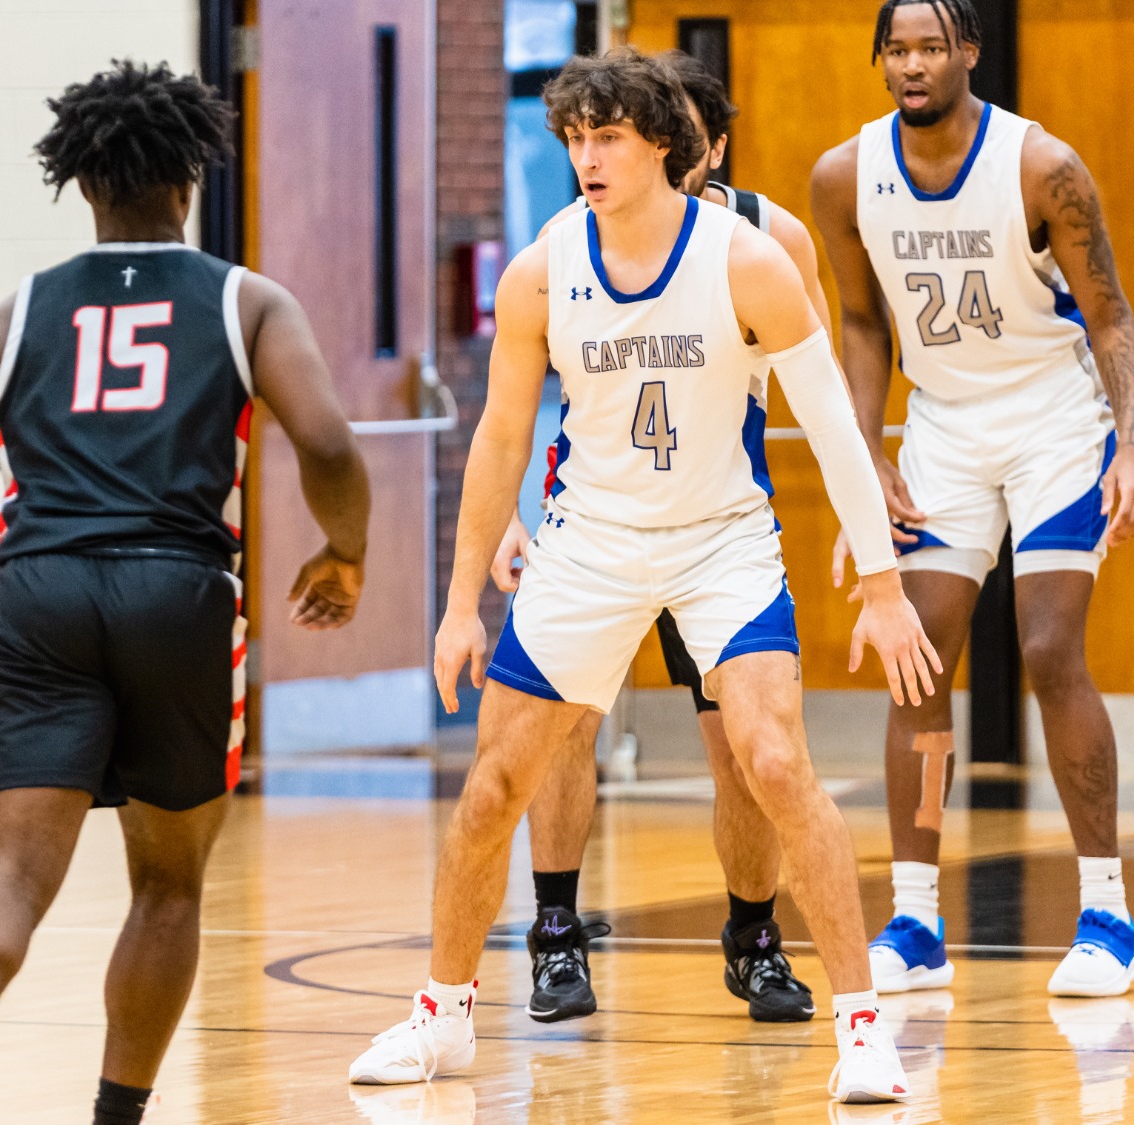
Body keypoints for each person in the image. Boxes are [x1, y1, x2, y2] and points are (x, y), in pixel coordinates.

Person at [350, 48, 941, 1104]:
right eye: (575, 138)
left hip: (720, 540)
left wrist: (884, 587)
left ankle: (861, 1029)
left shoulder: (748, 259)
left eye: (608, 137)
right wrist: (456, 603)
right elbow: (498, 437)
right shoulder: (541, 270)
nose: (587, 157)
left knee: (773, 761)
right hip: (590, 543)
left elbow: (833, 429)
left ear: (665, 145)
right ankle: (441, 1015)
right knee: (492, 787)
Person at [0, 62, 370, 1125]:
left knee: (6, 877)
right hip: (178, 595)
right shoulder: (246, 302)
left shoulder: (12, 318)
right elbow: (326, 444)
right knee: (168, 884)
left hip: (41, 595)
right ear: (190, 177)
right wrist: (343, 551)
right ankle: (115, 1114)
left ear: (82, 183)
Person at [810, 0, 1134, 999]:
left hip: (1054, 418)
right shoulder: (843, 176)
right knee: (915, 663)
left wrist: (1130, 447)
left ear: (967, 52)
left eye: (931, 47)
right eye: (897, 49)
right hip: (943, 429)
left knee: (1048, 647)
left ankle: (1108, 917)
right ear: (879, 61)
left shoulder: (1041, 165)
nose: (912, 64)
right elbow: (860, 323)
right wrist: (866, 455)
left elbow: (1110, 316)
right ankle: (915, 922)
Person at [493, 49, 832, 1026]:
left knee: (742, 749)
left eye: (659, 132)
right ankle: (555, 931)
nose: (627, 153)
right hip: (594, 520)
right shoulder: (565, 242)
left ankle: (753, 937)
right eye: (604, 135)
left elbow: (823, 391)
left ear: (705, 146)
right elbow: (513, 402)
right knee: (563, 728)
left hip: (713, 524)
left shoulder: (766, 242)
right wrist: (505, 514)